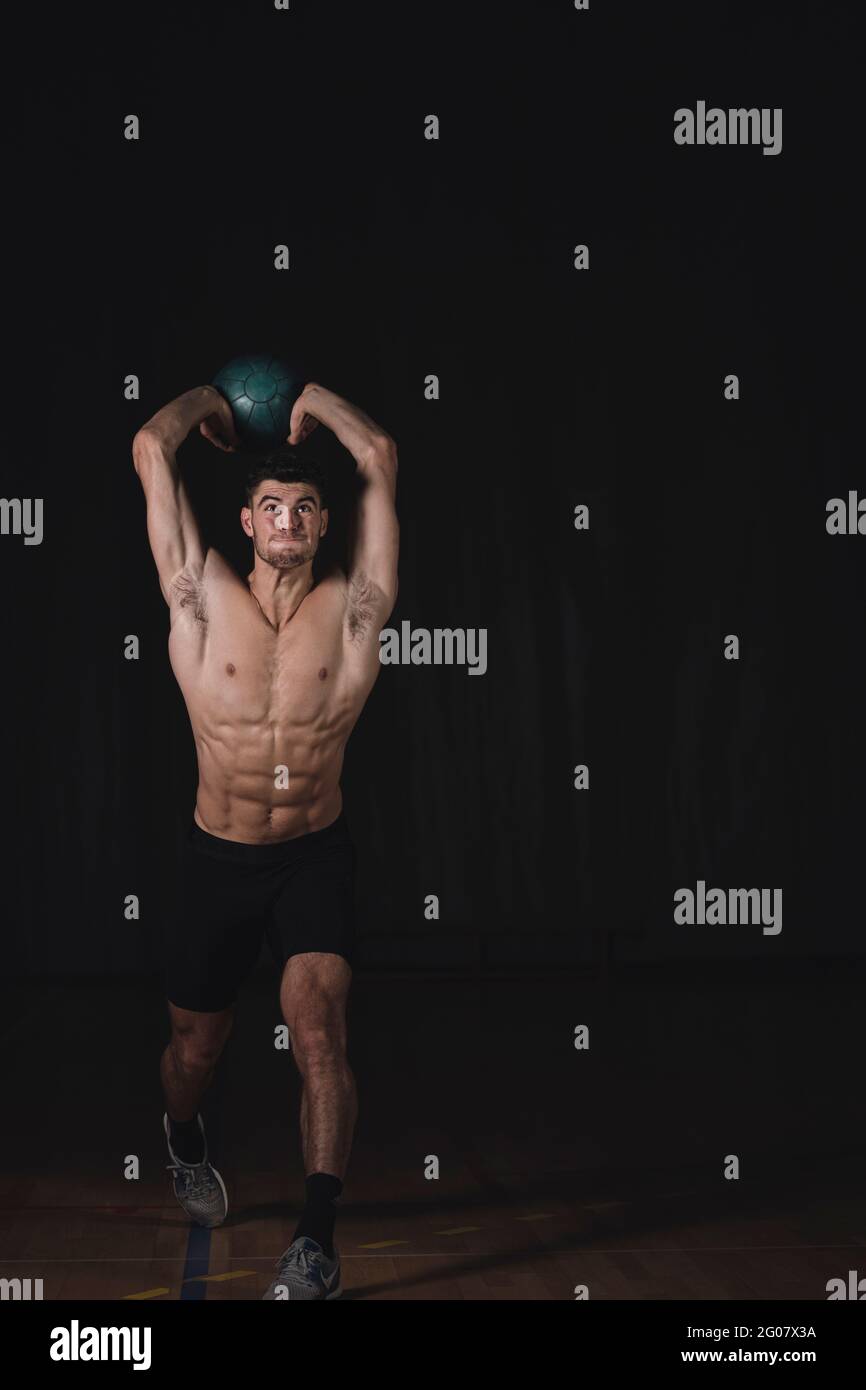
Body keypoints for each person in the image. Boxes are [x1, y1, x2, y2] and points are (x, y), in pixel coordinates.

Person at [132, 380, 399, 1299]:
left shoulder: (358, 606)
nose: (289, 519)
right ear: (247, 520)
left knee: (318, 1031)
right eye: (273, 506)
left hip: (312, 857)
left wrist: (316, 401)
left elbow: (378, 459)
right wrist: (208, 401)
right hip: (219, 859)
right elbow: (148, 448)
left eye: (306, 508)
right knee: (192, 1058)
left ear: (325, 526)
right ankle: (180, 1139)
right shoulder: (196, 597)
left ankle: (315, 1241)